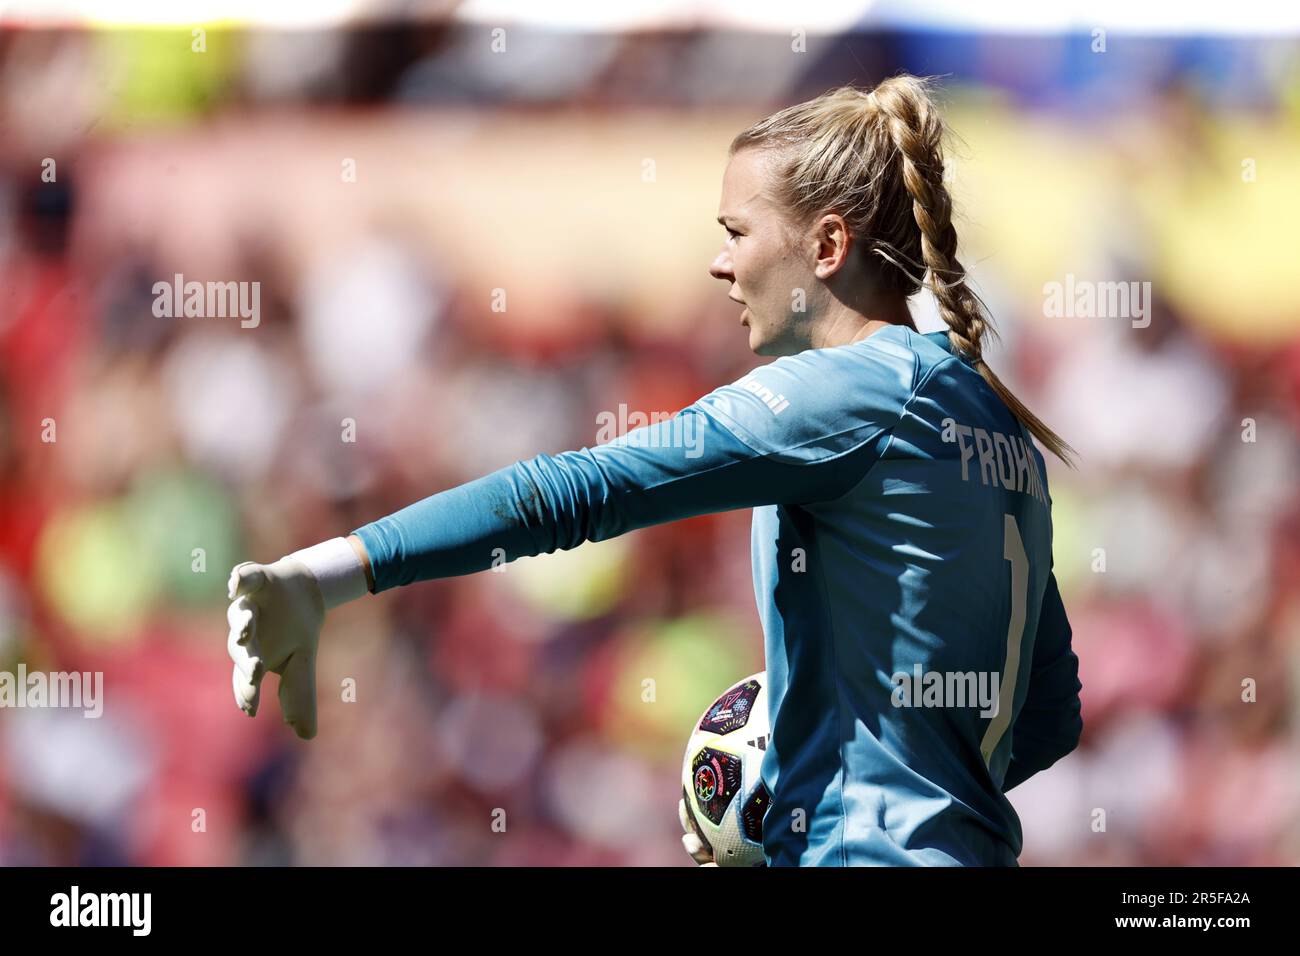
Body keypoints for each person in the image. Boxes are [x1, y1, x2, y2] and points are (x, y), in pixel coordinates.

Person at [226, 75, 1083, 867]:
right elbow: (1047, 716)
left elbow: (574, 492)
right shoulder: (990, 414)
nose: (720, 264)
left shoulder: (838, 396)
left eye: (736, 233)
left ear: (826, 245)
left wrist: (322, 574)